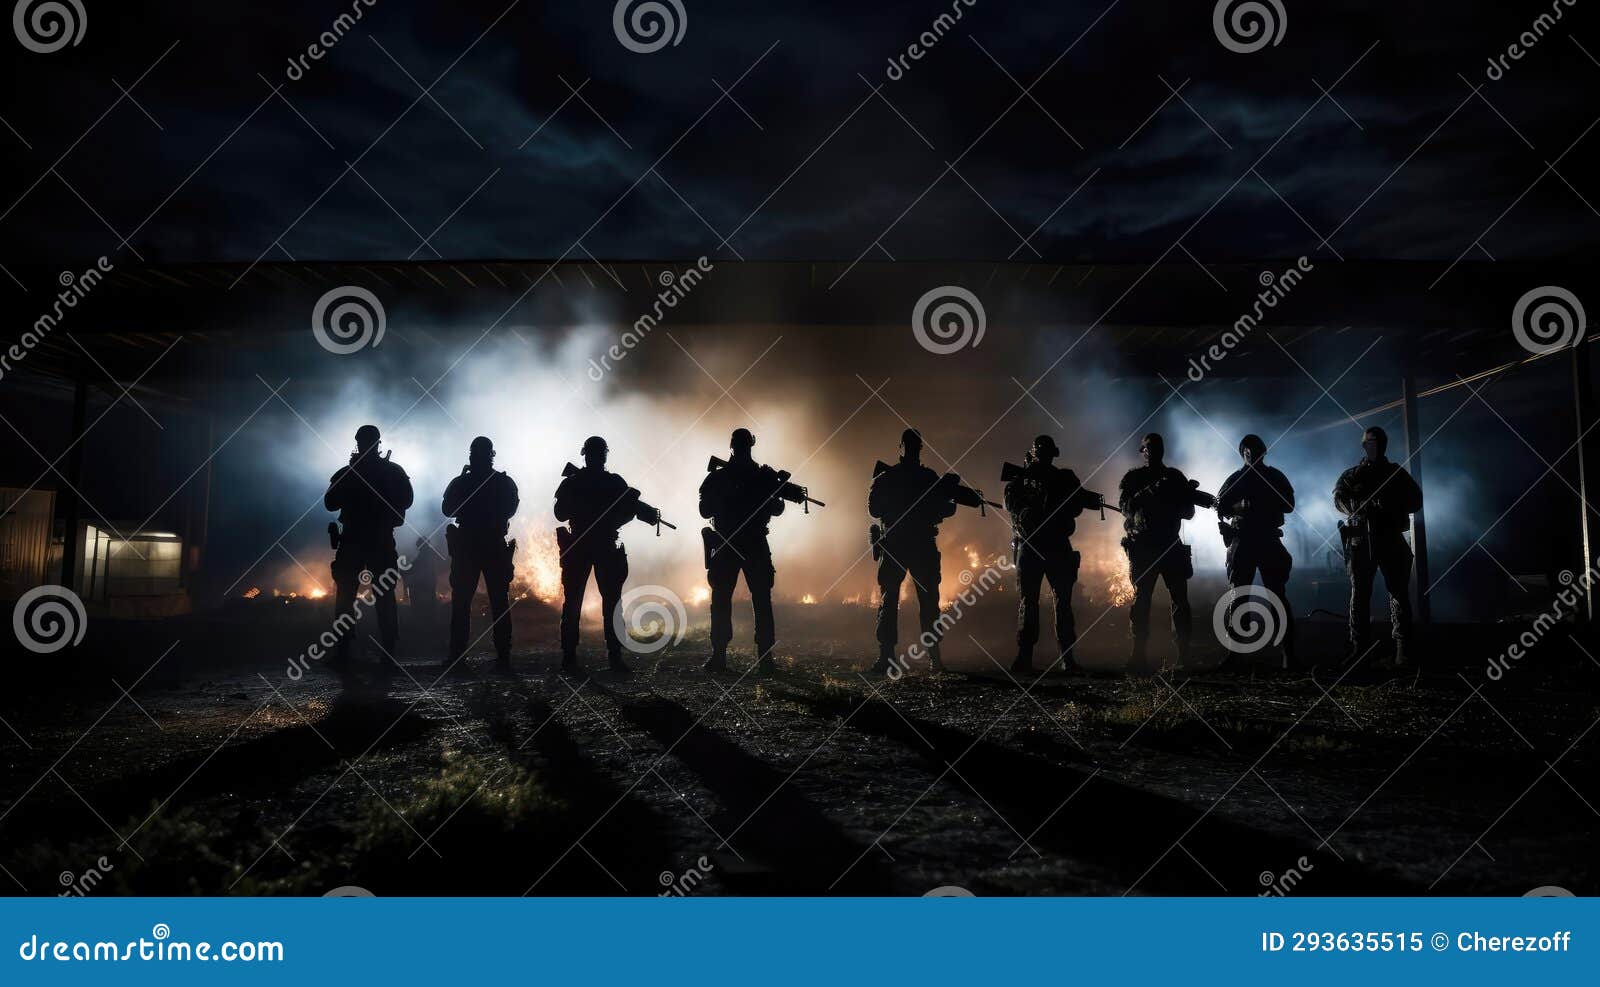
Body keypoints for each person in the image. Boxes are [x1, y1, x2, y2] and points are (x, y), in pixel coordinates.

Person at [1005, 435, 1103, 676]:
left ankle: (1066, 658)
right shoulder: (1021, 480)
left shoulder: (1063, 479)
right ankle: (1025, 657)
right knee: (1031, 603)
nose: (1044, 456)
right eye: (1041, 451)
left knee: (1062, 603)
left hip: (1055, 544)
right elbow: (1013, 508)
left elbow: (1078, 504)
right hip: (1033, 544)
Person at [323, 424, 414, 674]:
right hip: (379, 540)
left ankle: (345, 651)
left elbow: (330, 503)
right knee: (382, 597)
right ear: (378, 444)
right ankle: (386, 653)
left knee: (346, 597)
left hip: (355, 540)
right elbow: (407, 500)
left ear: (360, 443)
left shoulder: (349, 473)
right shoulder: (392, 472)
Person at [1118, 433, 1213, 672]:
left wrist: (1180, 496)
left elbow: (1188, 513)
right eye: (1149, 448)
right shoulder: (1134, 478)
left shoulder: (1174, 477)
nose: (1153, 451)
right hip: (1144, 545)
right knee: (1142, 602)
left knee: (1180, 601)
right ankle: (1138, 654)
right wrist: (1152, 491)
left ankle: (1183, 656)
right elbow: (1126, 508)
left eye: (1157, 447)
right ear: (1143, 451)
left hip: (1170, 544)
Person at [1333, 426, 1423, 668]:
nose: (1374, 446)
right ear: (1364, 445)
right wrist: (1356, 505)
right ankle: (1360, 649)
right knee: (1360, 596)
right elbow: (1338, 497)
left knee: (1399, 594)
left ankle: (1403, 649)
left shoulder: (1396, 474)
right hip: (1362, 540)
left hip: (1390, 538)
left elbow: (1416, 500)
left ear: (1383, 444)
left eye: (1378, 442)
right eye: (1369, 442)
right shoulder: (1352, 475)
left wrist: (1390, 504)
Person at [867, 429, 956, 674]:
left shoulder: (888, 477)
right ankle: (931, 658)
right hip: (918, 545)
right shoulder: (927, 478)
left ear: (901, 447)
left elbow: (874, 509)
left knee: (893, 600)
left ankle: (889, 657)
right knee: (925, 603)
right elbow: (943, 511)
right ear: (919, 448)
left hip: (899, 543)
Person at [699, 428, 785, 675]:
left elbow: (704, 510)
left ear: (732, 446)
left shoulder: (720, 477)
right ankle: (765, 661)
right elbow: (777, 510)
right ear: (750, 446)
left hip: (729, 543)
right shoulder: (762, 477)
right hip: (753, 543)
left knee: (722, 599)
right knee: (760, 600)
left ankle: (719, 658)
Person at [554, 436, 636, 674]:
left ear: (585, 454)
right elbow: (628, 512)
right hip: (603, 544)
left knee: (574, 604)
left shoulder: (574, 482)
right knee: (610, 604)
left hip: (581, 545)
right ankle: (614, 658)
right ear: (604, 455)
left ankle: (569, 659)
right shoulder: (613, 482)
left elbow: (560, 513)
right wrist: (611, 521)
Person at [1215, 434, 1296, 668]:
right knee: (1238, 595)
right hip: (1243, 540)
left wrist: (1266, 500)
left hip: (1268, 539)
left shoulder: (1274, 477)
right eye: (1247, 451)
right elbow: (1219, 506)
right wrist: (1239, 506)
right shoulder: (1237, 478)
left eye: (1255, 450)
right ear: (1242, 453)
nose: (1251, 454)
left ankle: (1288, 653)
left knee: (1277, 596)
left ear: (1263, 451)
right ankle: (1235, 653)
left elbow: (1289, 505)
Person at [441, 436, 519, 673]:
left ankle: (457, 655)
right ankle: (503, 656)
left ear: (472, 456)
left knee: (462, 602)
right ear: (491, 456)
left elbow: (448, 509)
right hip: (492, 544)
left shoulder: (461, 482)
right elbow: (511, 508)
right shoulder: (503, 482)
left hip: (468, 545)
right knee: (498, 602)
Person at [407, 535, 444, 631]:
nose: (418, 547)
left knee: (424, 601)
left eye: (419, 544)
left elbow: (416, 566)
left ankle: (426, 623)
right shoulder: (427, 552)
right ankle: (431, 622)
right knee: (430, 601)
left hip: (426, 581)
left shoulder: (425, 553)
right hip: (429, 580)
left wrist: (407, 570)